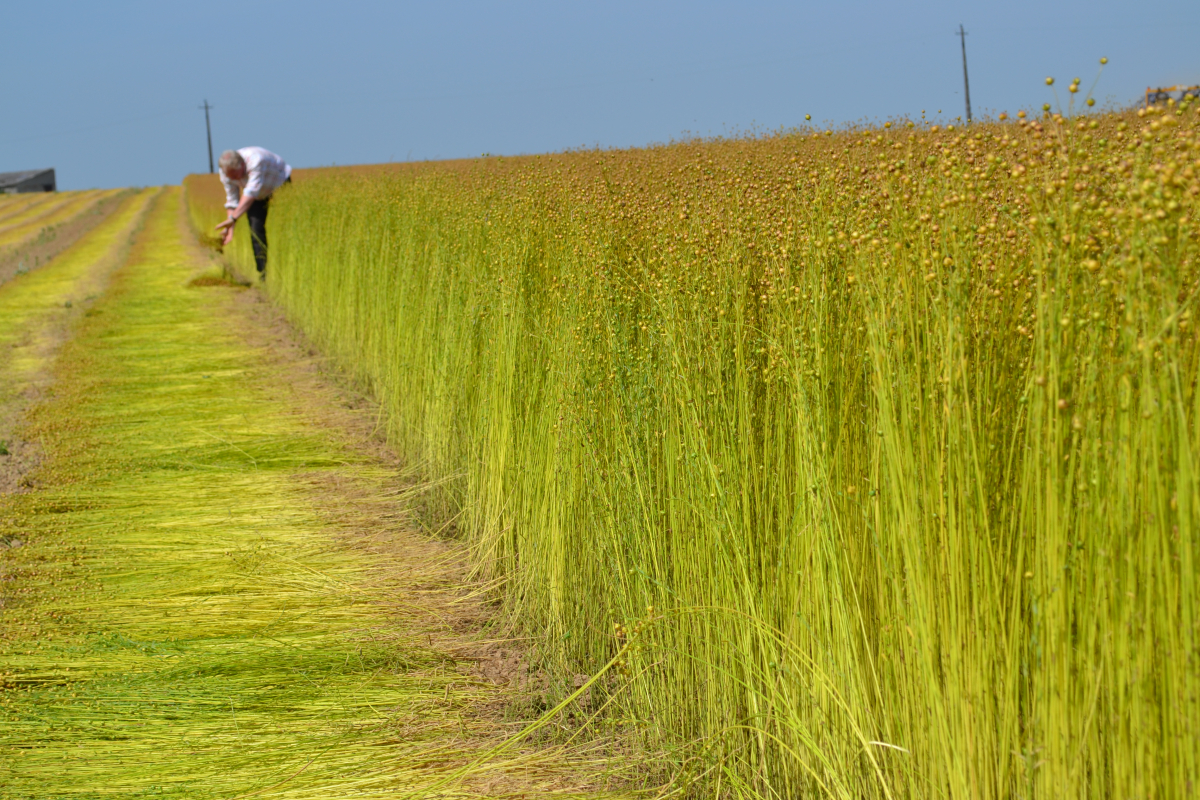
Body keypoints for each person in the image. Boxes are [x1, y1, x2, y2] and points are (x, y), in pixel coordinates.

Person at [215, 147, 292, 279]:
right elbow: (232, 200)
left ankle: (288, 268)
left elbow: (251, 192)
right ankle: (263, 273)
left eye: (234, 175)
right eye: (229, 176)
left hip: (279, 185)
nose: (232, 178)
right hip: (258, 196)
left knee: (286, 226)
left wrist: (233, 219)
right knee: (256, 230)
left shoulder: (256, 160)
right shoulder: (225, 172)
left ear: (242, 165)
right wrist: (230, 226)